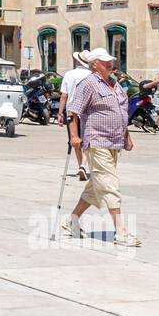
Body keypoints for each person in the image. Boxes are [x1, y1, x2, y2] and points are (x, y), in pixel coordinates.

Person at [61, 48, 141, 247]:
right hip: (96, 141)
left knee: (96, 187)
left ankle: (71, 220)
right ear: (94, 64)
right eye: (105, 61)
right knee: (110, 184)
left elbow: (121, 112)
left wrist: (126, 135)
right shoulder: (88, 83)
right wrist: (74, 136)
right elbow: (73, 111)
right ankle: (120, 231)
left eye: (111, 61)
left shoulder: (115, 84)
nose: (110, 64)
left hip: (114, 142)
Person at [58, 51, 93, 182]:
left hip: (71, 111)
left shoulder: (69, 74)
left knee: (75, 140)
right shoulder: (92, 75)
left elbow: (64, 95)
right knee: (88, 140)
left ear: (78, 61)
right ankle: (84, 164)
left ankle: (80, 166)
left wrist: (60, 113)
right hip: (87, 111)